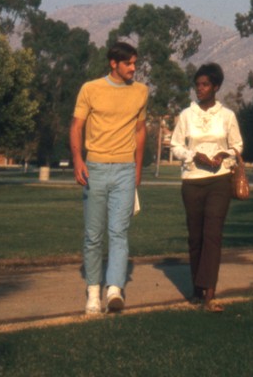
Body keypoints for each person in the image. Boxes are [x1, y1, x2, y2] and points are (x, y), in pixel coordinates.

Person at [69, 40, 148, 315]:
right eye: (129, 63)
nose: (133, 68)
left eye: (135, 63)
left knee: (119, 232)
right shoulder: (90, 89)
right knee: (93, 235)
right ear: (113, 63)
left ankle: (114, 289)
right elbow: (76, 126)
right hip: (96, 169)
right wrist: (78, 160)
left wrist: (137, 170)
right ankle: (93, 293)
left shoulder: (141, 92)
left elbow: (140, 131)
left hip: (125, 170)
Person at [170, 62, 244, 313]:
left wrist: (224, 154)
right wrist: (194, 156)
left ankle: (209, 294)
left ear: (216, 87)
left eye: (205, 85)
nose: (199, 89)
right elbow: (175, 146)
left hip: (220, 180)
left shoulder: (227, 116)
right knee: (196, 236)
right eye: (197, 85)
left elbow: (238, 146)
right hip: (192, 181)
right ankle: (196, 288)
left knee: (213, 234)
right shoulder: (186, 115)